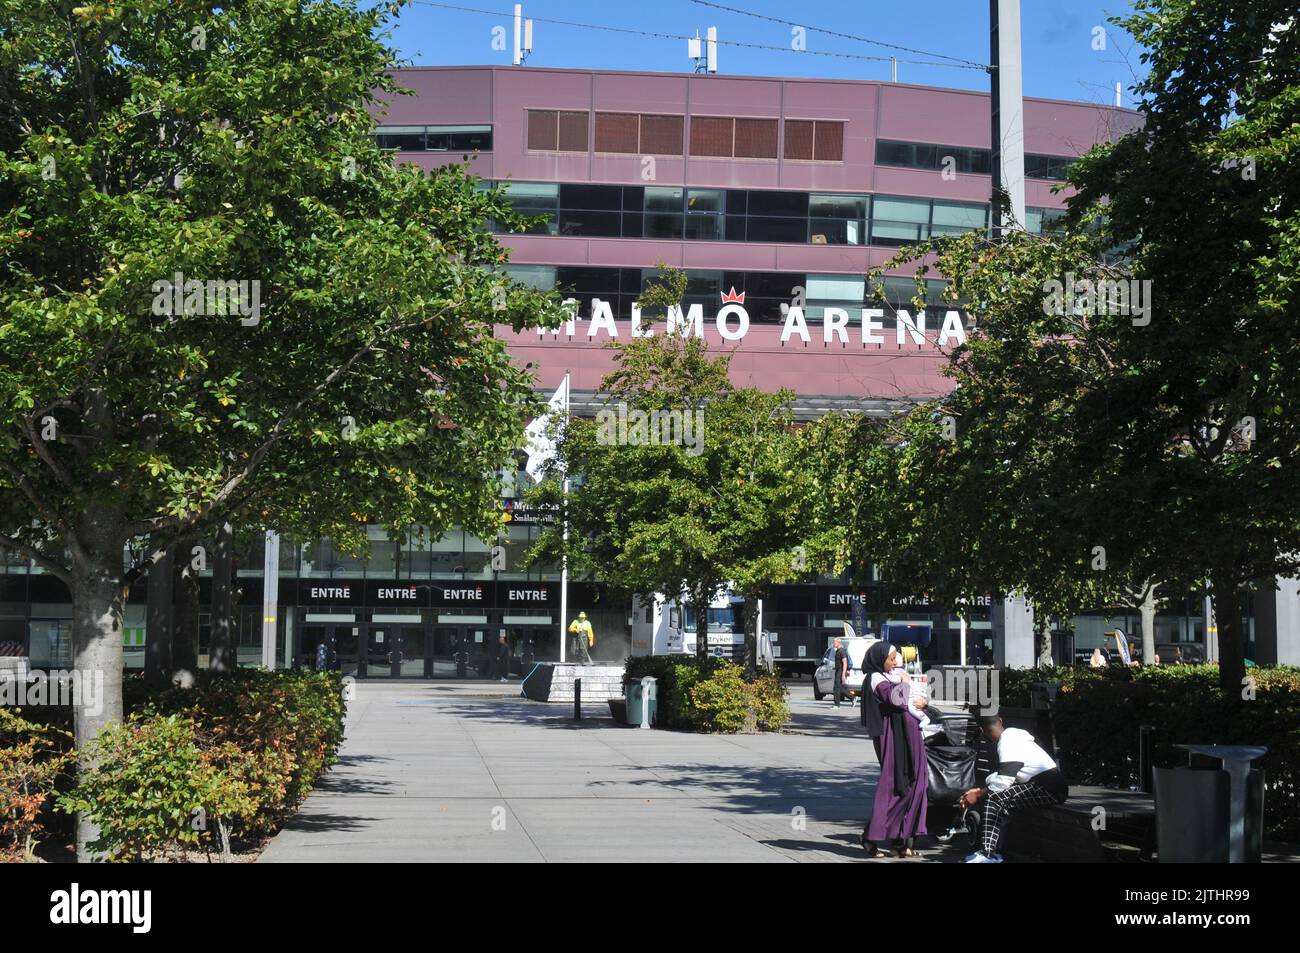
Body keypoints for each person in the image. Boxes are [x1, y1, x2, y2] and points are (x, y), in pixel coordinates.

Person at [959, 713, 1069, 863]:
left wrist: (978, 794)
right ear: (1000, 721)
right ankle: (996, 851)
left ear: (982, 729)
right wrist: (978, 790)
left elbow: (1003, 782)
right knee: (998, 796)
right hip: (1046, 785)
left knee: (995, 798)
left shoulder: (1007, 743)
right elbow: (1004, 776)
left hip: (1049, 788)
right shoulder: (1013, 737)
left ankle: (988, 855)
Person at [860, 641, 928, 858]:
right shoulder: (875, 677)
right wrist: (905, 681)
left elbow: (913, 697)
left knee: (917, 781)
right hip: (892, 735)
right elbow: (896, 699)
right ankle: (871, 836)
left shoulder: (892, 674)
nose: (894, 662)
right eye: (890, 659)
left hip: (910, 733)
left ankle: (902, 840)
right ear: (880, 660)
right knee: (896, 784)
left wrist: (922, 702)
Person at [832, 637, 849, 707]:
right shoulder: (837, 651)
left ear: (838, 643)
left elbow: (845, 663)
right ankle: (853, 698)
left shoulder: (842, 651)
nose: (833, 644)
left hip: (840, 671)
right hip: (837, 670)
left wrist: (843, 674)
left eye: (834, 642)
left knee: (836, 688)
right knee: (839, 687)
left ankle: (837, 704)